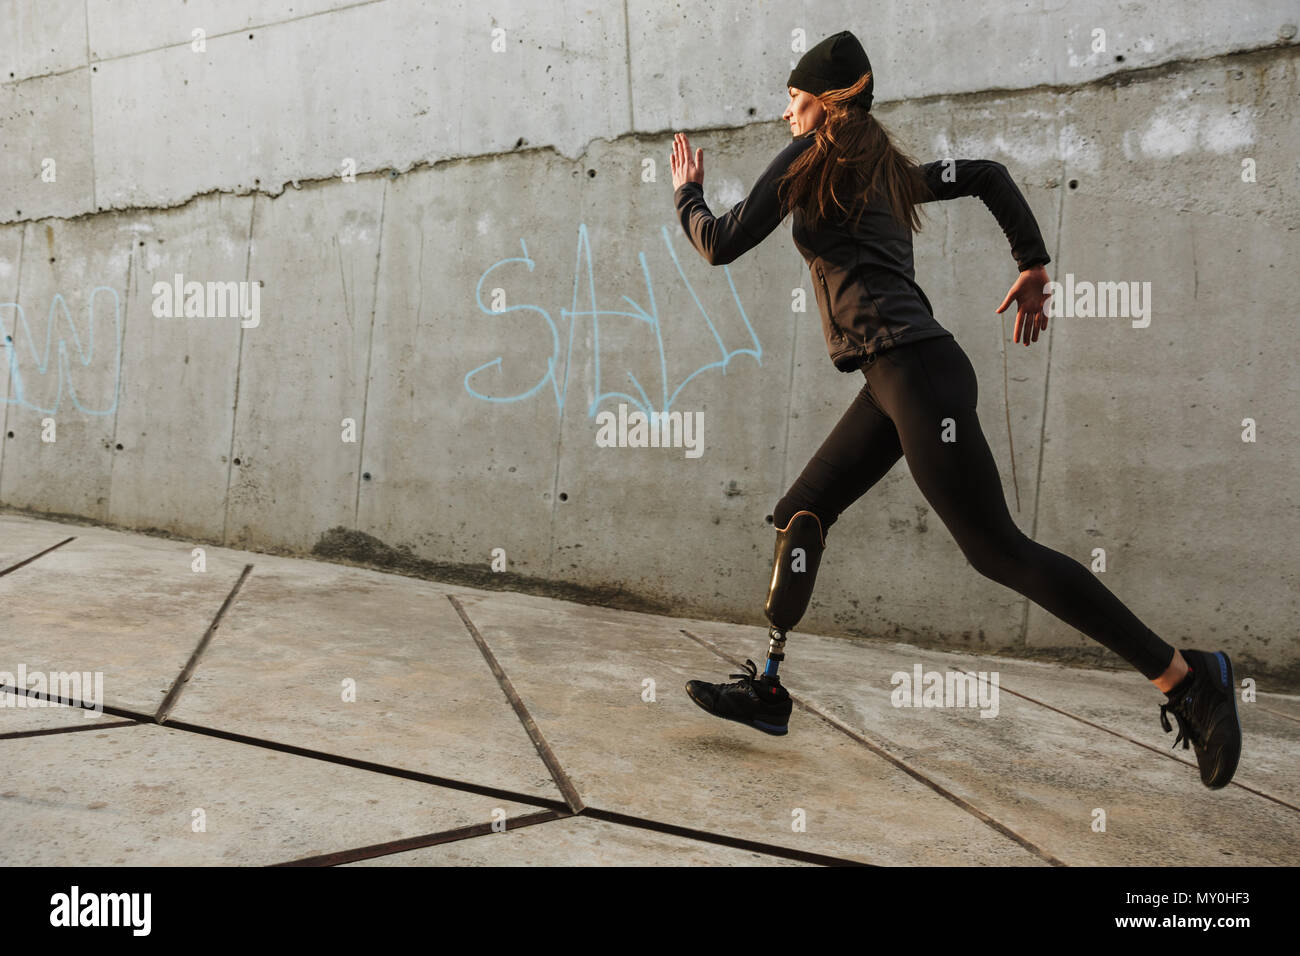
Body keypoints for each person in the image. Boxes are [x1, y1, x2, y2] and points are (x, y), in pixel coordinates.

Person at [671, 30, 1241, 789]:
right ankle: (770, 688)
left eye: (794, 98)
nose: (785, 113)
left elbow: (720, 243)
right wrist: (1032, 261)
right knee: (801, 510)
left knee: (997, 550)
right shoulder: (890, 169)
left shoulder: (813, 157)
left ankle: (1186, 678)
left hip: (915, 374)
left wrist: (685, 192)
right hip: (896, 377)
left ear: (828, 102)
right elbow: (985, 174)